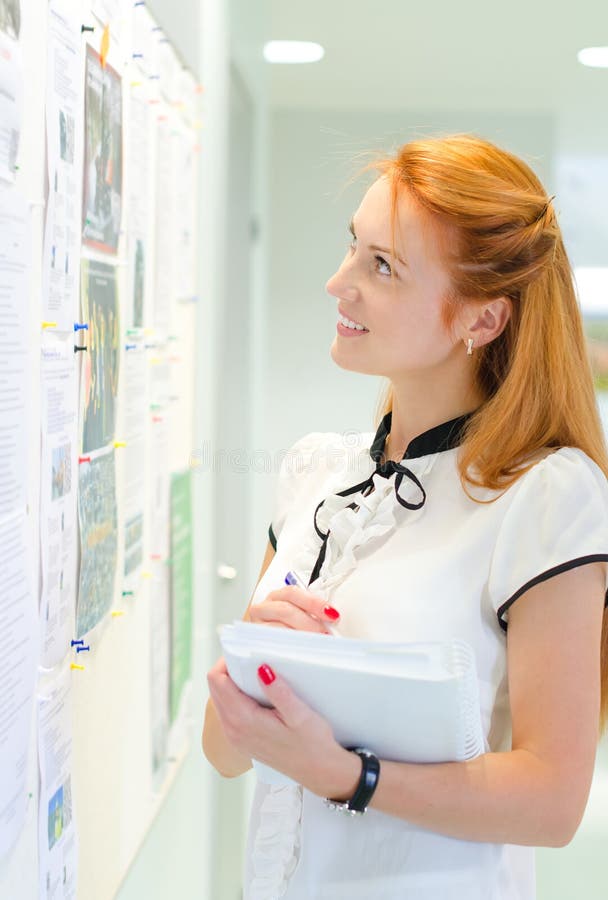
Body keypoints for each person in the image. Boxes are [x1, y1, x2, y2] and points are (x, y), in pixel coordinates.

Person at [203, 133, 608, 899]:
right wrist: (252, 665)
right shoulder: (314, 471)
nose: (337, 283)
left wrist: (347, 776)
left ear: (482, 322)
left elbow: (554, 801)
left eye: (381, 266)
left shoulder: (548, 496)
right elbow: (222, 751)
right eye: (353, 247)